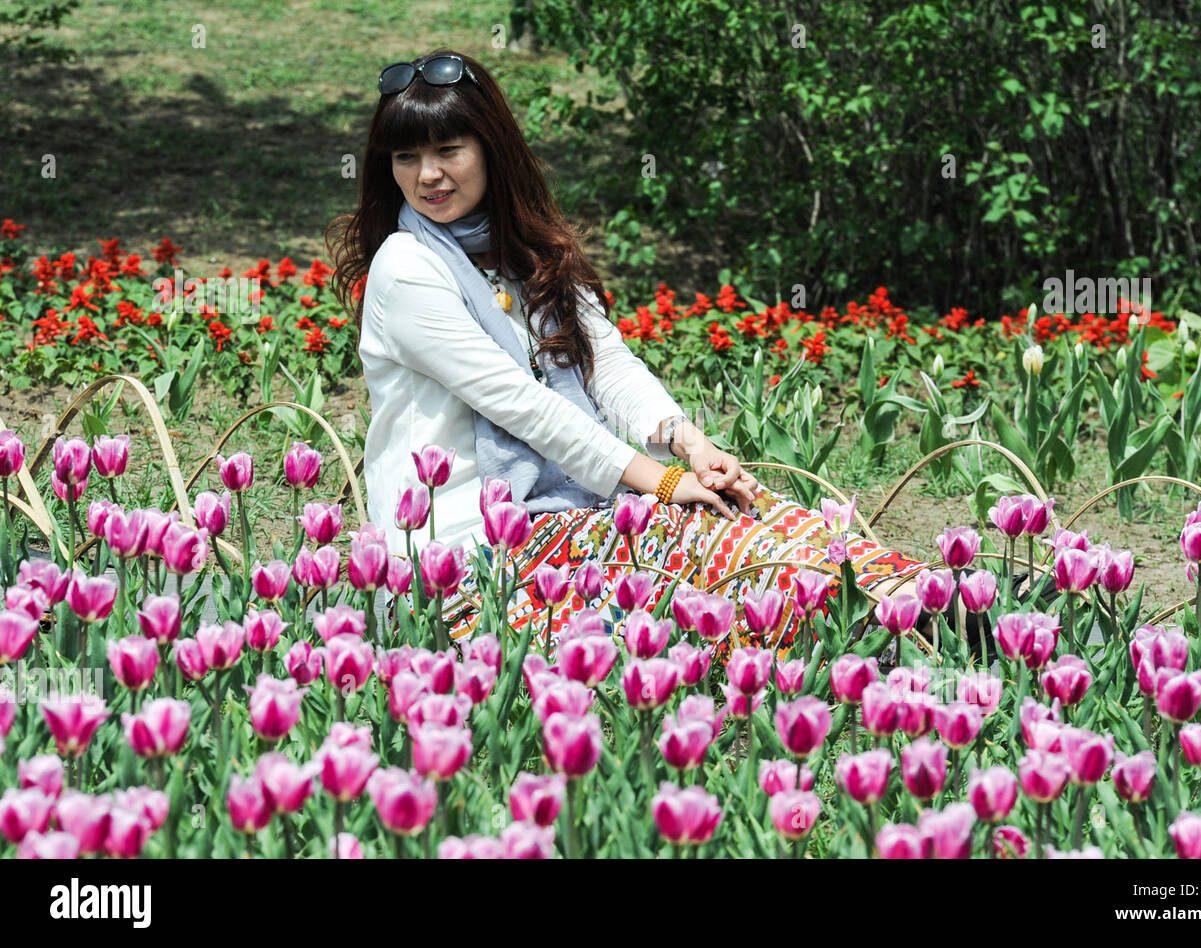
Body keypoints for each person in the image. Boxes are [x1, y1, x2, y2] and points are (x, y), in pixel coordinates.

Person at [325, 49, 927, 659]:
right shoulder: (407, 267)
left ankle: (931, 602)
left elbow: (604, 360)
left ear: (491, 148)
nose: (427, 174)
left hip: (567, 511)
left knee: (751, 508)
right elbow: (520, 405)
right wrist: (661, 482)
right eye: (406, 157)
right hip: (466, 558)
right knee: (701, 550)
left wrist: (691, 445)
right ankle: (873, 630)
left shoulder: (523, 250)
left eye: (448, 150)